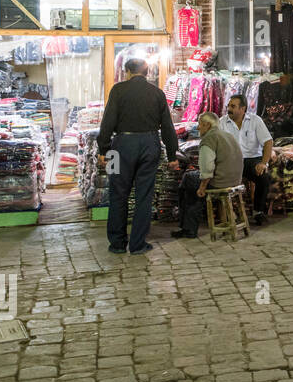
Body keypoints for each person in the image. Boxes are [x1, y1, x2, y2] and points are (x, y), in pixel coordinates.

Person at [97, 58, 178, 254]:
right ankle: (137, 244)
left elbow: (107, 122)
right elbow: (167, 127)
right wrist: (172, 154)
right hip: (150, 145)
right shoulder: (157, 93)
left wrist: (103, 150)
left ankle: (117, 243)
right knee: (144, 195)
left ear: (127, 71)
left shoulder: (118, 90)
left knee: (117, 193)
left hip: (119, 147)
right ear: (147, 72)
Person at [171, 112, 243, 239]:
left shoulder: (208, 139)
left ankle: (188, 228)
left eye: (200, 124)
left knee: (189, 182)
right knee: (191, 180)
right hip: (235, 180)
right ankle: (188, 226)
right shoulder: (228, 136)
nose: (198, 127)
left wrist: (202, 187)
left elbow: (208, 168)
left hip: (220, 181)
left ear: (207, 125)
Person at [220, 94, 275, 226]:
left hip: (251, 160)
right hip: (231, 161)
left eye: (233, 106)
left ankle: (258, 212)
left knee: (264, 177)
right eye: (229, 106)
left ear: (243, 108)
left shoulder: (255, 121)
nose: (229, 109)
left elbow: (268, 141)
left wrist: (263, 163)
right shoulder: (221, 122)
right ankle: (228, 213)